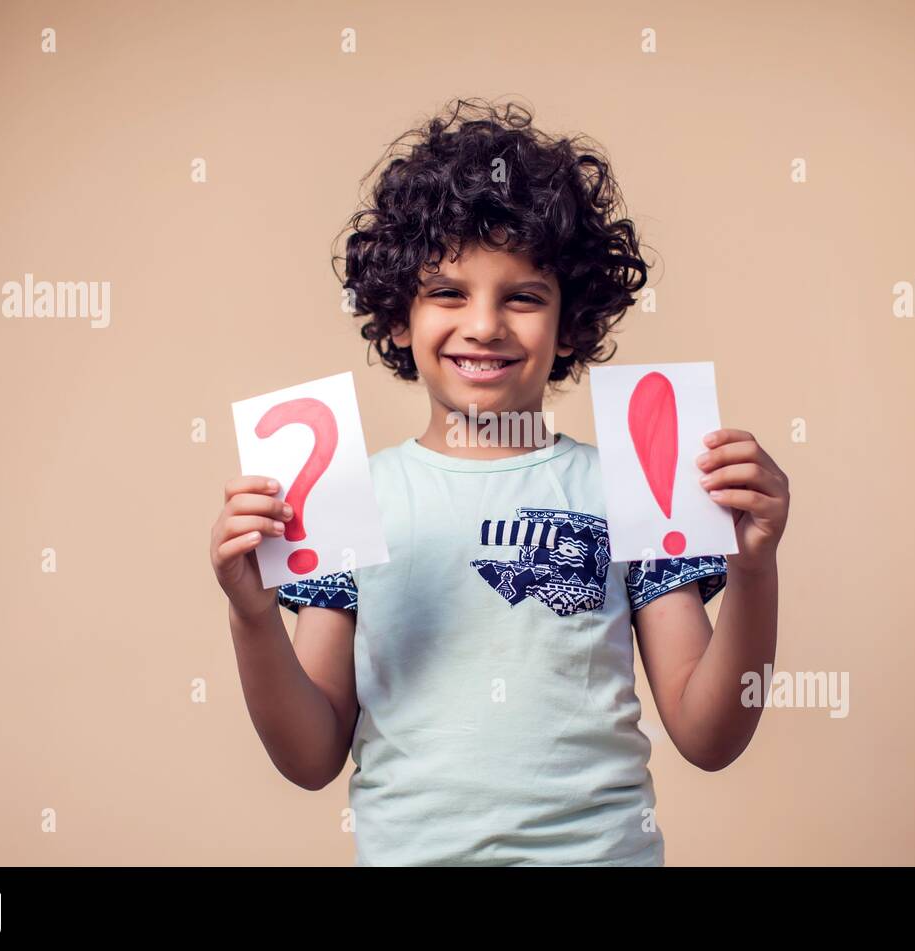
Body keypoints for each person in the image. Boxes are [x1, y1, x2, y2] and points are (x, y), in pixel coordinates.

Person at [209, 98, 789, 865]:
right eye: (448, 293)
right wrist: (252, 617)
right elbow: (310, 757)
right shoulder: (349, 500)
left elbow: (709, 735)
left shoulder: (632, 487)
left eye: (522, 296)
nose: (484, 325)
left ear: (571, 322)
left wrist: (753, 567)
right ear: (396, 317)